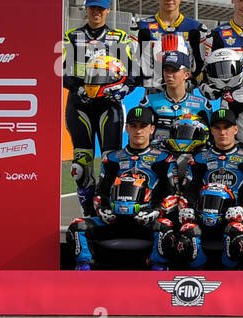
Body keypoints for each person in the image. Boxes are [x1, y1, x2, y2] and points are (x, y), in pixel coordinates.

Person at [160, 106, 243, 269]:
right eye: (217, 128)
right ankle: (198, 278)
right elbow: (187, 194)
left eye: (227, 127)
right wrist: (186, 210)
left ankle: (232, 278)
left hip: (234, 220)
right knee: (187, 230)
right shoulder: (199, 159)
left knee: (236, 232)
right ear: (211, 130)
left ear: (236, 129)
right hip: (203, 219)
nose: (222, 132)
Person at [68, 105, 173, 271]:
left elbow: (172, 195)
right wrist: (102, 209)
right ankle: (84, 277)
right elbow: (100, 193)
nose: (138, 131)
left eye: (143, 126)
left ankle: (157, 278)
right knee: (77, 226)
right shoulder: (112, 158)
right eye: (133, 126)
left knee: (165, 227)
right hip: (114, 220)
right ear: (126, 128)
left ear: (152, 129)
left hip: (146, 221)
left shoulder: (164, 158)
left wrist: (155, 211)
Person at [64, 0, 136, 213]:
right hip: (80, 105)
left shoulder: (119, 38)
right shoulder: (72, 37)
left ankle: (109, 208)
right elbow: (62, 74)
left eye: (101, 8)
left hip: (109, 104)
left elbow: (133, 75)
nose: (97, 12)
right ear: (86, 8)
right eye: (93, 7)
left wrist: (122, 90)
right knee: (80, 165)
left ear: (109, 9)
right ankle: (87, 211)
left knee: (111, 160)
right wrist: (78, 87)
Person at [133, 0, 204, 87]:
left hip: (184, 94)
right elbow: (132, 66)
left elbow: (201, 67)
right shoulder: (141, 28)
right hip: (151, 94)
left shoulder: (195, 29)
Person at [145, 50, 210, 148]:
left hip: (190, 158)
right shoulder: (149, 102)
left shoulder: (202, 105)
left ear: (186, 75)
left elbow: (210, 139)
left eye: (174, 70)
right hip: (159, 157)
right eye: (166, 70)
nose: (169, 74)